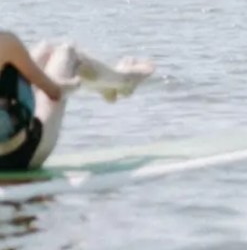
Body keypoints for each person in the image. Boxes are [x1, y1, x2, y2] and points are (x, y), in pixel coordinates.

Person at [0, 31, 154, 171]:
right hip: (22, 155)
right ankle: (124, 80)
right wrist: (73, 83)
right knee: (67, 52)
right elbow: (55, 93)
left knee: (46, 51)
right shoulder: (6, 43)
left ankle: (108, 86)